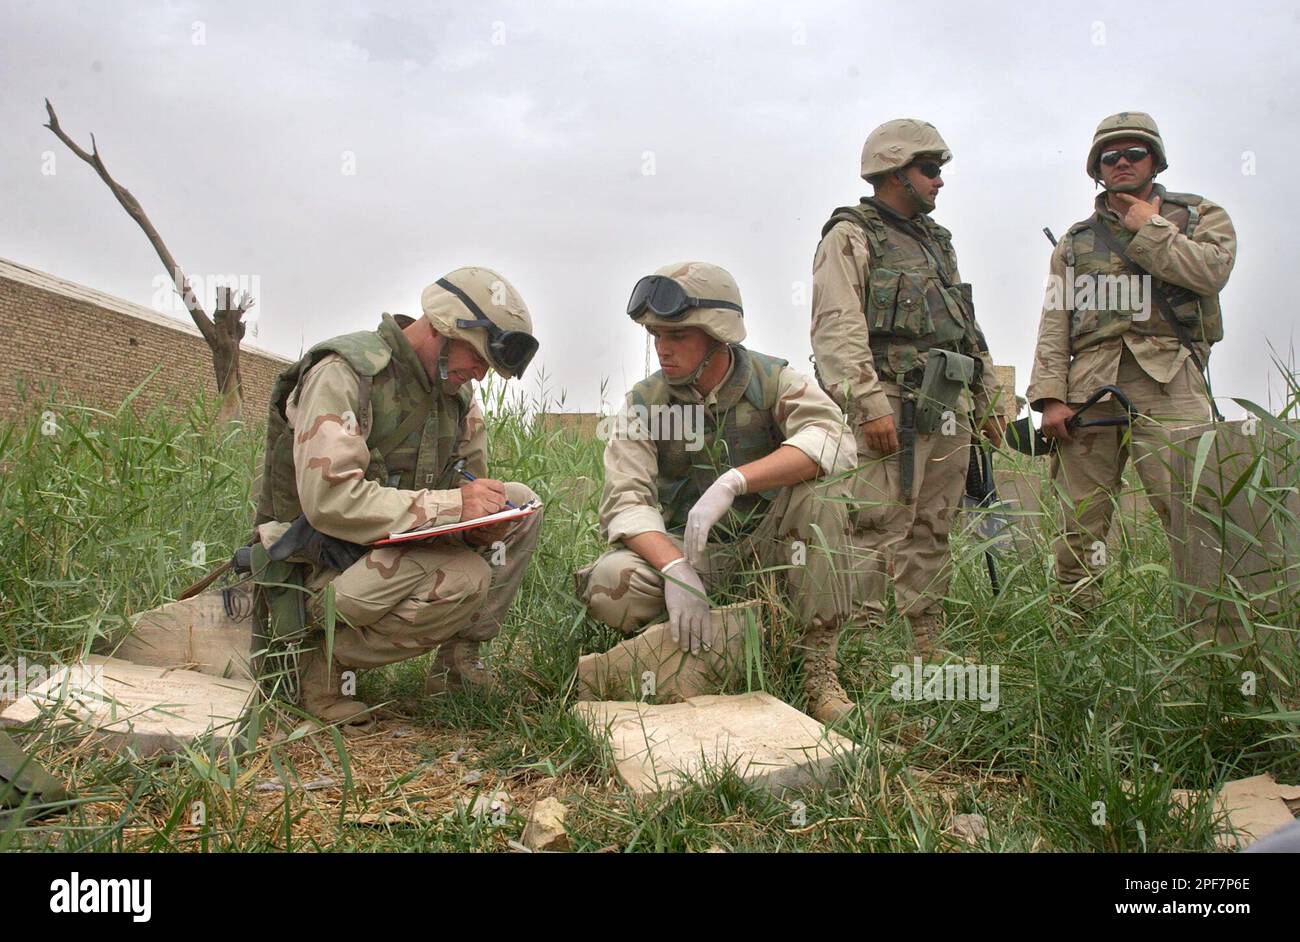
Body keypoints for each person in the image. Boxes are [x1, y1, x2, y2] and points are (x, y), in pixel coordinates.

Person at [250, 267, 544, 724]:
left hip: (390, 557)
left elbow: (466, 496)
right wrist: (453, 508)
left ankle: (457, 667)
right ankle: (317, 665)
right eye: (478, 358)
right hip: (318, 563)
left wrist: (483, 528)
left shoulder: (457, 398)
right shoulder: (346, 374)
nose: (481, 375)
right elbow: (330, 501)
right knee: (465, 577)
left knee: (518, 501)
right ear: (444, 327)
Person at [576, 262, 859, 723]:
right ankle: (691, 649)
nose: (663, 350)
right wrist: (675, 569)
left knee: (821, 495)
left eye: (678, 337)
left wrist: (736, 481)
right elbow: (626, 501)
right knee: (612, 585)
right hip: (691, 556)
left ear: (718, 336)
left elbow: (831, 438)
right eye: (656, 337)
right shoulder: (645, 404)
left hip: (772, 554)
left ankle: (817, 666)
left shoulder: (773, 382)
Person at [1025, 112, 1236, 610]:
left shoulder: (1199, 216)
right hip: (1089, 388)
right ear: (1096, 168)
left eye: (1133, 153)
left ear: (1155, 160)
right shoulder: (1076, 241)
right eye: (1109, 156)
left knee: (1192, 509)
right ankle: (1077, 630)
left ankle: (1212, 630)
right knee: (1082, 520)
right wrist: (1050, 398)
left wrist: (1152, 228)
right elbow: (1055, 321)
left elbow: (1211, 273)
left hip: (1171, 380)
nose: (1121, 162)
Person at [811, 119, 1002, 654]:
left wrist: (988, 398)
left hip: (947, 401)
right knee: (874, 525)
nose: (939, 181)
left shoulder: (937, 243)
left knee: (933, 525)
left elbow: (965, 323)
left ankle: (924, 637)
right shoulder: (850, 235)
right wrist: (867, 404)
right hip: (892, 402)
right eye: (930, 170)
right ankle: (863, 643)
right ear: (896, 172)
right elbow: (836, 326)